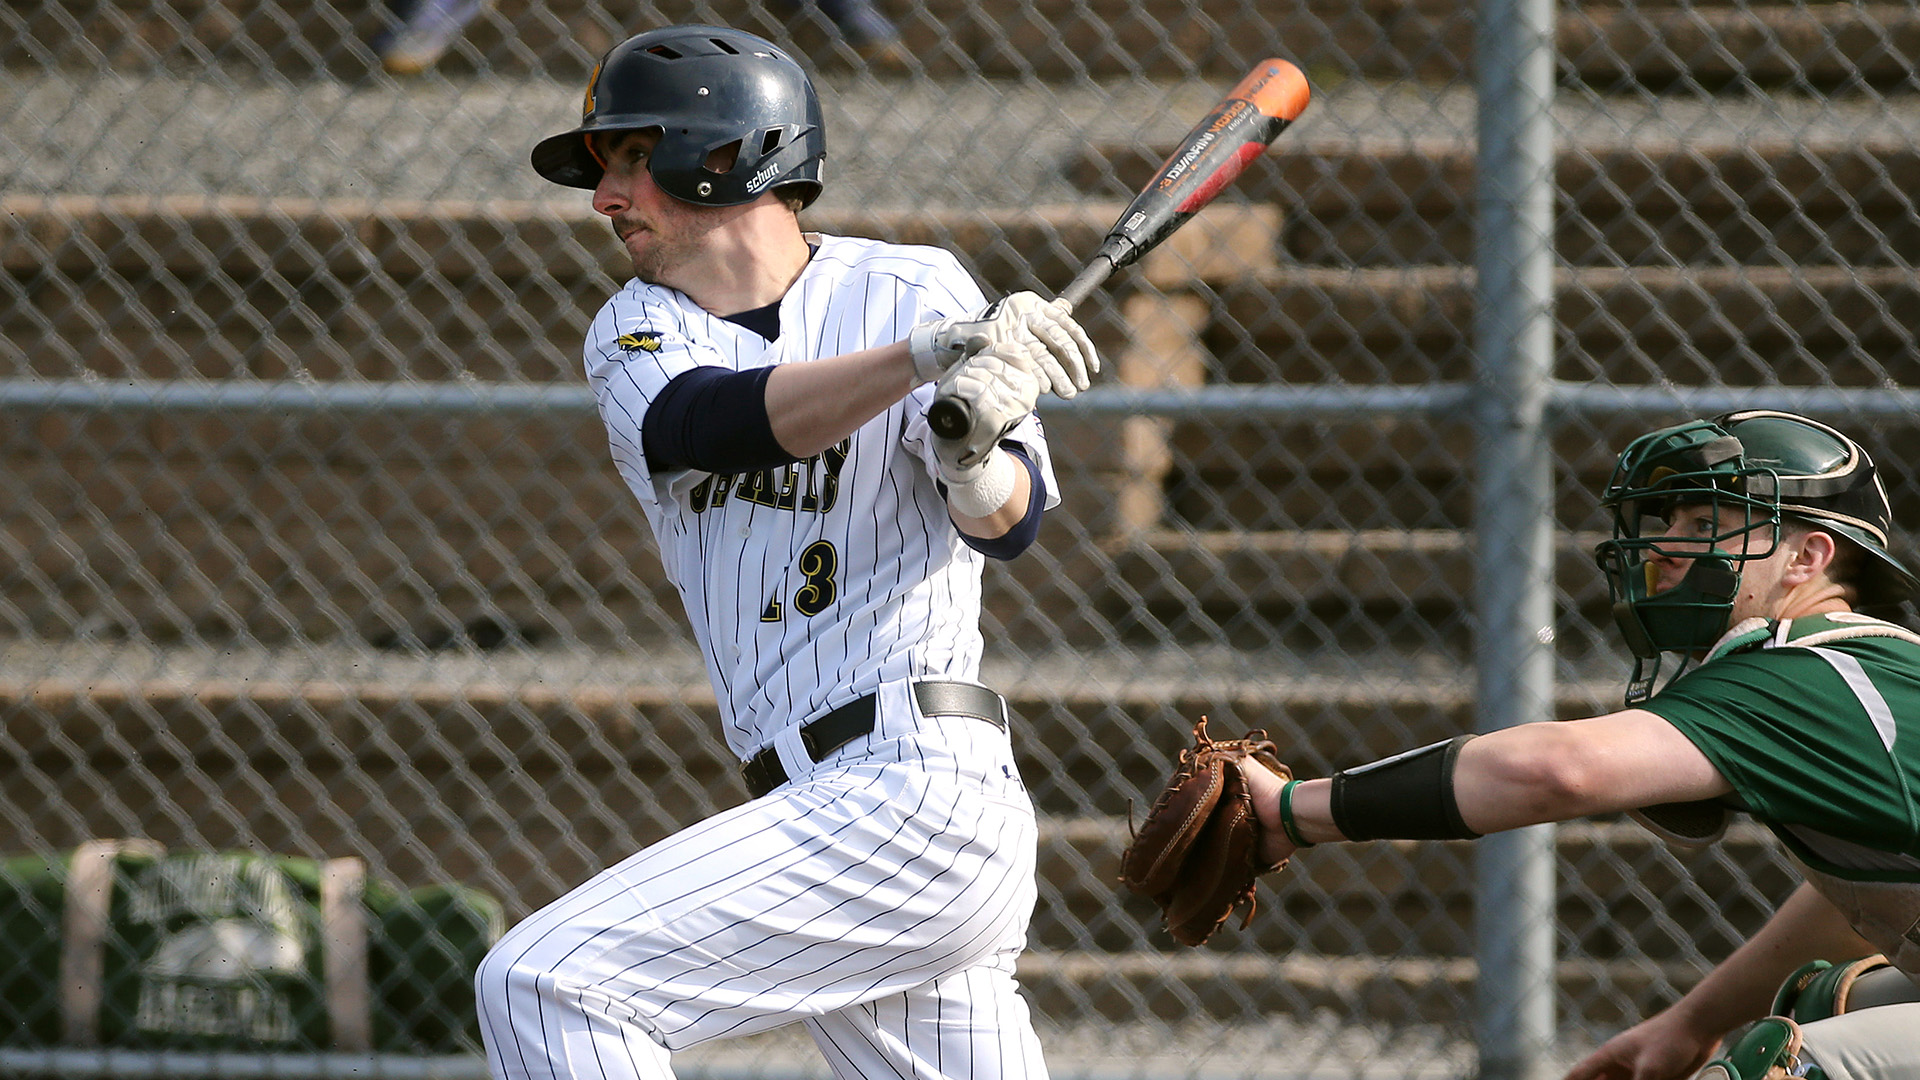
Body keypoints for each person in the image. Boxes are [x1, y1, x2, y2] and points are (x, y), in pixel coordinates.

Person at [474, 23, 1098, 1080]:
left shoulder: (912, 286)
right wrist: (921, 362)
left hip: (914, 787)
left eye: (632, 158)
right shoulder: (635, 328)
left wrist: (971, 456)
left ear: (727, 155)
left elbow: (1012, 525)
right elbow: (710, 424)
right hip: (814, 805)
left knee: (545, 982)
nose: (604, 197)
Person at [1235, 410, 1920, 1080]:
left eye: (1705, 524)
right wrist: (1692, 1020)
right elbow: (1869, 902)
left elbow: (1558, 770)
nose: (1662, 547)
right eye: (1669, 523)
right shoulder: (1844, 668)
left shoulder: (1811, 675)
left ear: (1807, 557)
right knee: (1825, 1006)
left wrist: (1291, 811)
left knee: (1786, 1068)